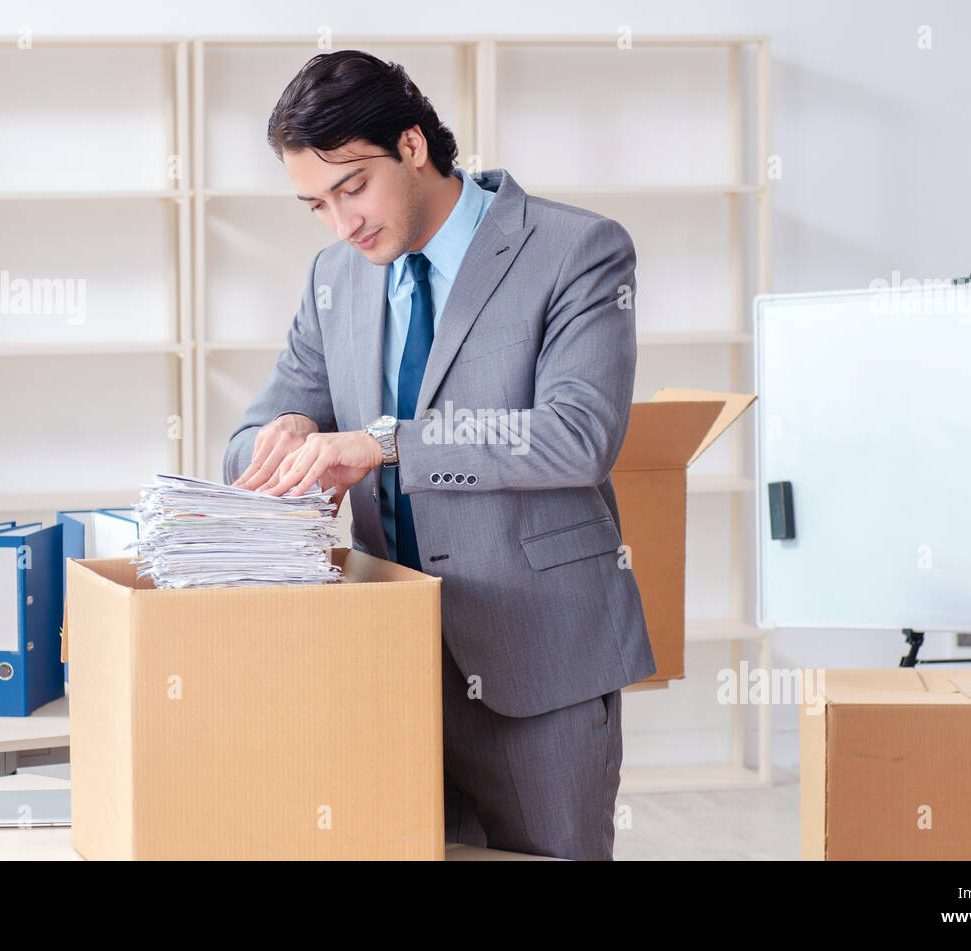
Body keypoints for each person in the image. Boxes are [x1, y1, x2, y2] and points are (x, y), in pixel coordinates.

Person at [223, 49, 654, 861]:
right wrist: (281, 430)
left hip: (539, 657)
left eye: (353, 186)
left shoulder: (575, 249)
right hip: (390, 665)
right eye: (316, 204)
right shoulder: (335, 278)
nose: (343, 222)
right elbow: (250, 436)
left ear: (413, 145)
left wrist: (384, 443)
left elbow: (578, 433)